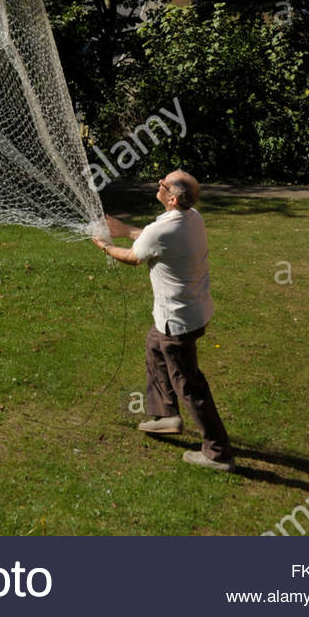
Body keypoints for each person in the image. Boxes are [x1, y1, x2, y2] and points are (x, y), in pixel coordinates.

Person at [92, 170, 234, 471]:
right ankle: (166, 415)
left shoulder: (163, 230)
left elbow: (133, 257)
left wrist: (104, 245)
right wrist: (123, 229)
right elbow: (151, 238)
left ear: (171, 199)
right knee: (154, 346)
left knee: (190, 385)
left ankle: (217, 452)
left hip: (177, 321)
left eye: (164, 184)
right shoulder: (192, 217)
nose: (159, 183)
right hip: (193, 311)